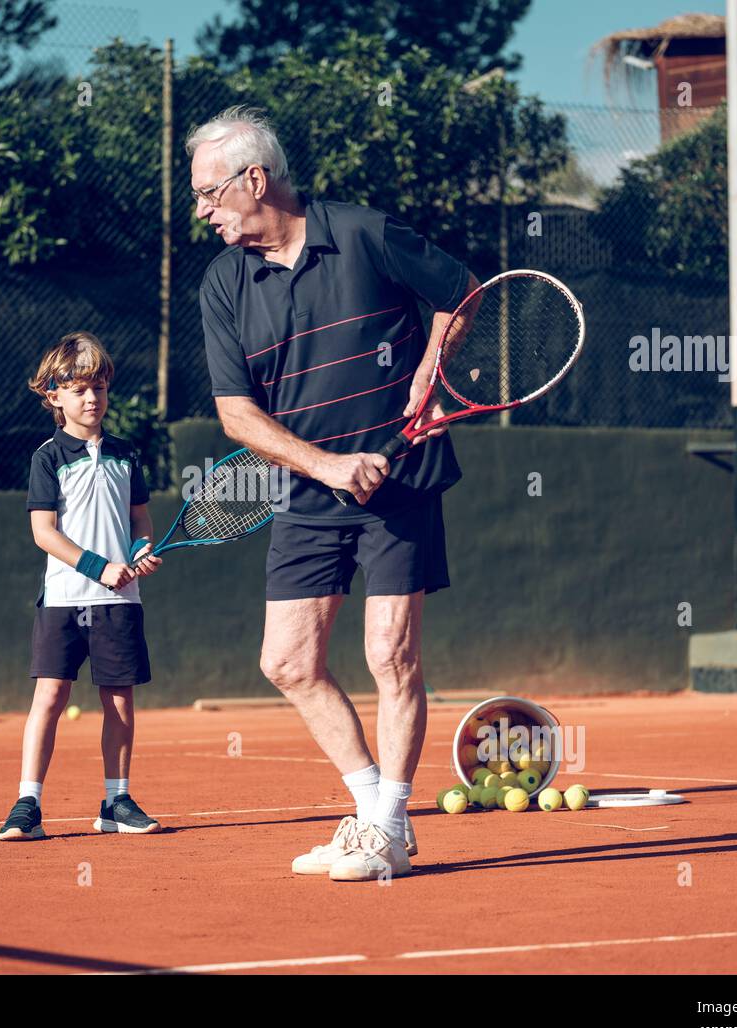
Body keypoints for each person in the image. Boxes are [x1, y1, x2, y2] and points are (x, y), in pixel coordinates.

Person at [189, 106, 478, 881]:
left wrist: (431, 368)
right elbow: (236, 414)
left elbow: (460, 290)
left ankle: (386, 831)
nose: (203, 211)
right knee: (286, 661)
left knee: (391, 652)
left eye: (210, 193)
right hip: (311, 490)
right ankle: (374, 810)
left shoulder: (362, 233)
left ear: (256, 179)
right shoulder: (224, 283)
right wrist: (327, 467)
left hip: (402, 478)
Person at [0, 332, 164, 841]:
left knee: (119, 702)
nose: (92, 398)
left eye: (100, 388)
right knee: (50, 696)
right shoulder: (47, 457)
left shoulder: (126, 454)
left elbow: (139, 519)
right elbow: (43, 532)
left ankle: (116, 802)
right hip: (65, 599)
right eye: (79, 390)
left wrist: (139, 550)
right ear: (54, 396)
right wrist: (99, 566)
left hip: (119, 601)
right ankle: (28, 804)